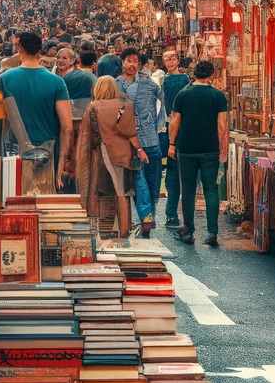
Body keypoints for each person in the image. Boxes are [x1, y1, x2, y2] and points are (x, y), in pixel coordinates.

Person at [0, 31, 73, 190]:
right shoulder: (56, 82)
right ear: (40, 52)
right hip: (47, 152)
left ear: (19, 49)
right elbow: (67, 126)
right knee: (44, 205)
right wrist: (61, 162)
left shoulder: (5, 79)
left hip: (14, 151)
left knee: (14, 201)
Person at [167, 60, 229, 247]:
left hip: (186, 147)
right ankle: (212, 232)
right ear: (211, 76)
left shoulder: (183, 94)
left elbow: (174, 121)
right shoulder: (218, 96)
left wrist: (171, 144)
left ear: (195, 74)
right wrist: (223, 145)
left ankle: (188, 230)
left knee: (188, 189)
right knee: (211, 189)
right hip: (209, 146)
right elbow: (222, 124)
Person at [76, 76, 146, 239]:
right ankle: (124, 231)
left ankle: (96, 228)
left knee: (95, 190)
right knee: (123, 194)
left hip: (103, 154)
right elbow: (131, 131)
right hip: (125, 156)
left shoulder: (93, 108)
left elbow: (88, 137)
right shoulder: (125, 105)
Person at [116, 47, 166, 237]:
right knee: (139, 180)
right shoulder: (117, 85)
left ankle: (148, 216)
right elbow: (117, 113)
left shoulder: (150, 84)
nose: (132, 64)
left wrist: (158, 124)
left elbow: (163, 103)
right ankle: (145, 217)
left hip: (151, 140)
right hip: (130, 142)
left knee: (153, 182)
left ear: (140, 64)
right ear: (122, 63)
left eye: (135, 61)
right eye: (128, 60)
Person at [158, 48, 190, 229]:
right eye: (166, 59)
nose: (170, 62)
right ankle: (172, 213)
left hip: (178, 127)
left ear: (178, 60)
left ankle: (176, 214)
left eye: (172, 58)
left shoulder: (183, 79)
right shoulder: (164, 80)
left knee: (176, 172)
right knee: (174, 172)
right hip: (170, 127)